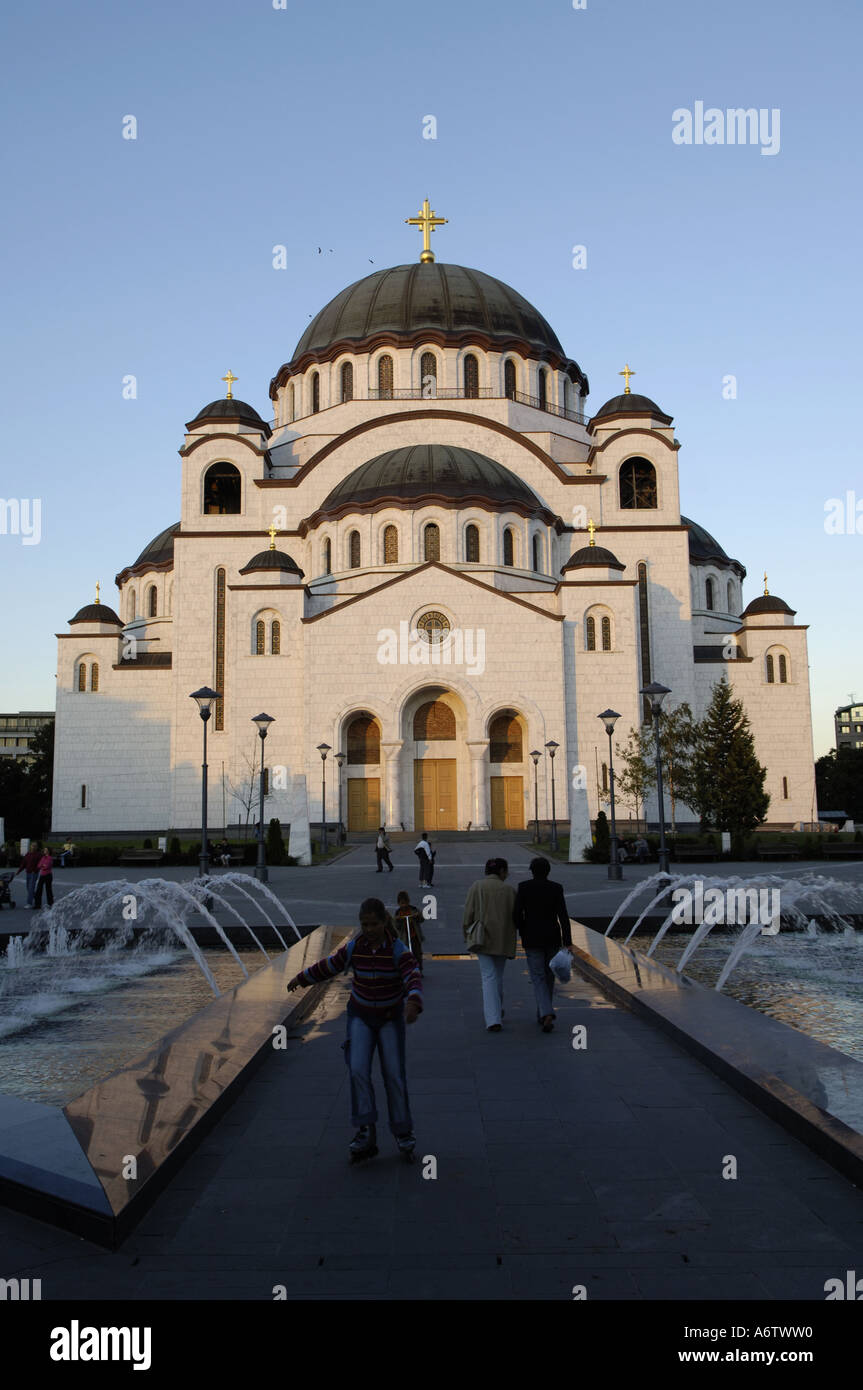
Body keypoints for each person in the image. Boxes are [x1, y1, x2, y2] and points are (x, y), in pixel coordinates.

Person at [287, 897, 422, 1161]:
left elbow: (412, 974)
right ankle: (365, 1130)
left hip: (389, 1018)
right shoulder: (354, 947)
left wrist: (414, 1001)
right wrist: (301, 978)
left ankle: (403, 1132)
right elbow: (329, 965)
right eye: (364, 924)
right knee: (358, 1069)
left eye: (373, 924)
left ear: (384, 922)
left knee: (393, 1074)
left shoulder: (397, 950)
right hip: (360, 1015)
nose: (368, 929)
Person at [514, 856, 573, 1032]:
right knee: (549, 977)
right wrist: (567, 941)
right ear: (548, 871)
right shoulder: (556, 888)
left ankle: (546, 1012)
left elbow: (517, 914)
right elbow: (563, 916)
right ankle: (543, 1012)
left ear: (532, 871)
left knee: (537, 977)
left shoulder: (524, 887)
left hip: (532, 939)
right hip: (552, 938)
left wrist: (523, 930)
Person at [462, 857, 516, 1032]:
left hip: (481, 938)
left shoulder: (476, 887)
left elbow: (467, 914)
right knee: (497, 976)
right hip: (503, 939)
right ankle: (496, 1011)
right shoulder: (509, 890)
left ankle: (493, 1019)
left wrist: (466, 934)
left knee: (488, 976)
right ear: (501, 872)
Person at [392, 890, 424, 973]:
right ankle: (407, 970)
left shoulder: (413, 909)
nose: (404, 905)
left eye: (405, 903)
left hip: (415, 937)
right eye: (402, 903)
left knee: (417, 954)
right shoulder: (398, 913)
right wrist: (398, 920)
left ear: (408, 901)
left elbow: (421, 919)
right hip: (405, 938)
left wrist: (417, 916)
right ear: (398, 903)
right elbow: (397, 927)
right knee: (405, 955)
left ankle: (419, 970)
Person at [15, 843, 42, 909]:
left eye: (35, 846)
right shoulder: (28, 854)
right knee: (28, 888)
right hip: (28, 873)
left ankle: (29, 903)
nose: (33, 847)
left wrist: (35, 870)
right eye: (32, 846)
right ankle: (37, 899)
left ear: (37, 847)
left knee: (31, 888)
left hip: (34, 873)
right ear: (30, 847)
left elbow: (40, 864)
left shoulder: (39, 855)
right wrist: (18, 871)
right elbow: (23, 864)